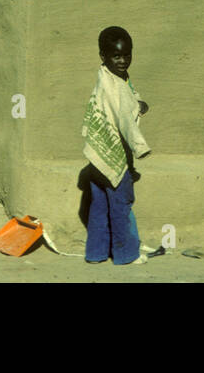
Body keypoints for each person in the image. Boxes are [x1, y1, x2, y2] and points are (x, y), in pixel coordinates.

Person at [81, 25, 151, 265]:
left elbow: (129, 100)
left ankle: (96, 253)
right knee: (121, 204)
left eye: (127, 55)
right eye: (116, 56)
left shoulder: (109, 77)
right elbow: (123, 119)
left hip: (97, 158)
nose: (123, 61)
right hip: (114, 156)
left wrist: (139, 103)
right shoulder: (114, 86)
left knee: (99, 206)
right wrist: (140, 147)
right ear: (103, 56)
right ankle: (126, 254)